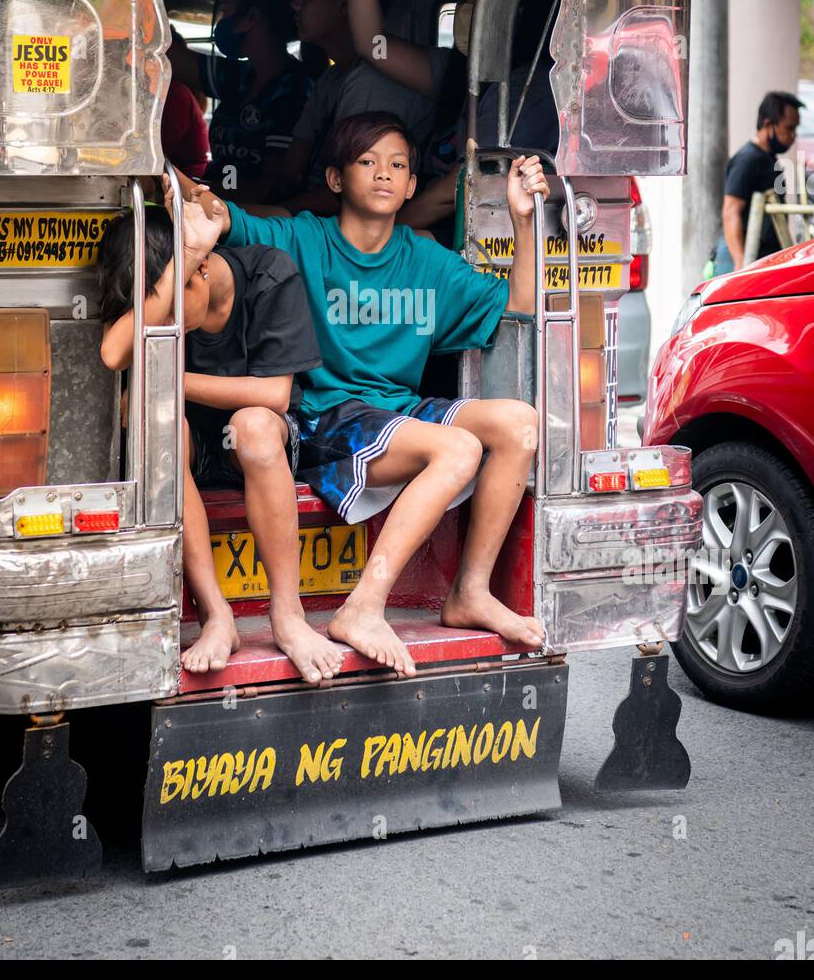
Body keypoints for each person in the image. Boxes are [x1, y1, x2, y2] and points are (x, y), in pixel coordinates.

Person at [171, 110, 549, 679]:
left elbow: (516, 309)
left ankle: (469, 591)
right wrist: (163, 169)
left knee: (520, 422)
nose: (383, 174)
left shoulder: (424, 257)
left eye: (398, 165)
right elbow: (219, 216)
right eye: (367, 162)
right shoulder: (304, 238)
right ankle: (363, 608)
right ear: (335, 179)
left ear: (413, 185)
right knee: (457, 450)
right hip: (324, 419)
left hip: (395, 413)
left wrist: (524, 222)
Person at [97, 197, 345, 686]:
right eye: (155, 302)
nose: (162, 316)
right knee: (160, 421)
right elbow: (112, 353)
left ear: (204, 267)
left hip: (258, 445)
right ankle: (217, 615)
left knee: (251, 424)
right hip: (187, 449)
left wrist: (167, 376)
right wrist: (174, 274)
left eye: (173, 295)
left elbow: (274, 395)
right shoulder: (177, 284)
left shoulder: (270, 274)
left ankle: (288, 615)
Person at [349, 0, 560, 235]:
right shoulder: (456, 70)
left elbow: (458, 188)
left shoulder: (527, 90)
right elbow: (373, 45)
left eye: (481, 0)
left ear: (517, 12)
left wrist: (388, 230)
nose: (466, 11)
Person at [277, 0, 437, 213]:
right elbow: (291, 171)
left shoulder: (375, 84)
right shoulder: (333, 77)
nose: (295, 4)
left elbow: (351, 195)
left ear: (344, 4)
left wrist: (271, 218)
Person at [167, 0, 312, 204]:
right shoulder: (240, 77)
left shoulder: (293, 91)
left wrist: (197, 192)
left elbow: (270, 187)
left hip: (244, 221)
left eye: (225, 10)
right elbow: (177, 61)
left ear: (251, 19)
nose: (221, 20)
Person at [716, 91, 802, 273]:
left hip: (761, 260)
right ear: (768, 124)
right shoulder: (748, 159)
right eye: (789, 128)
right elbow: (731, 212)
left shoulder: (769, 158)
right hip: (744, 262)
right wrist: (741, 264)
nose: (793, 136)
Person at [161, 77, 209, 177]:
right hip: (176, 175)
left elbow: (160, 149)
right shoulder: (176, 92)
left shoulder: (175, 93)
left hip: (188, 179)